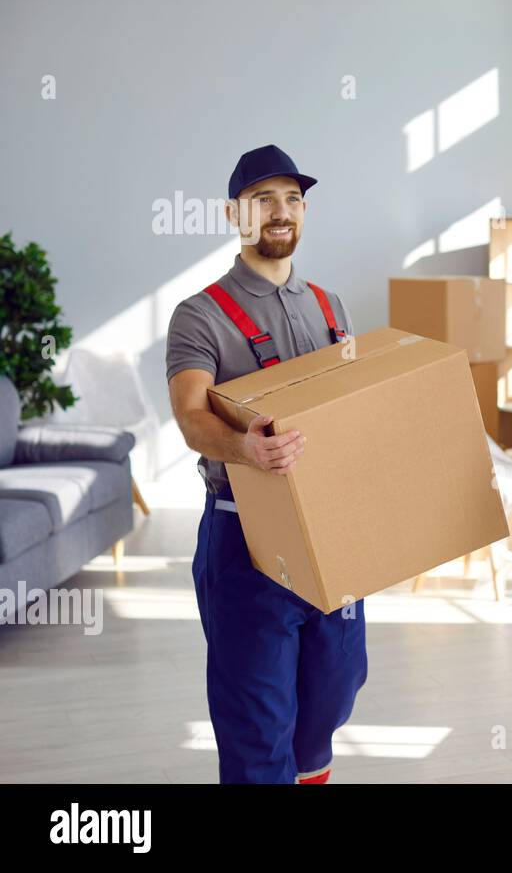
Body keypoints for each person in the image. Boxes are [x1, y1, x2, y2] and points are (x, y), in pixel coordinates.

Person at [165, 144, 364, 784]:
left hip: (331, 534)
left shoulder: (333, 310)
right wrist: (242, 448)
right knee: (258, 723)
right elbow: (193, 416)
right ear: (235, 214)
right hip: (245, 538)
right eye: (264, 199)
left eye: (293, 199)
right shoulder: (199, 315)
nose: (281, 212)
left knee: (333, 693)